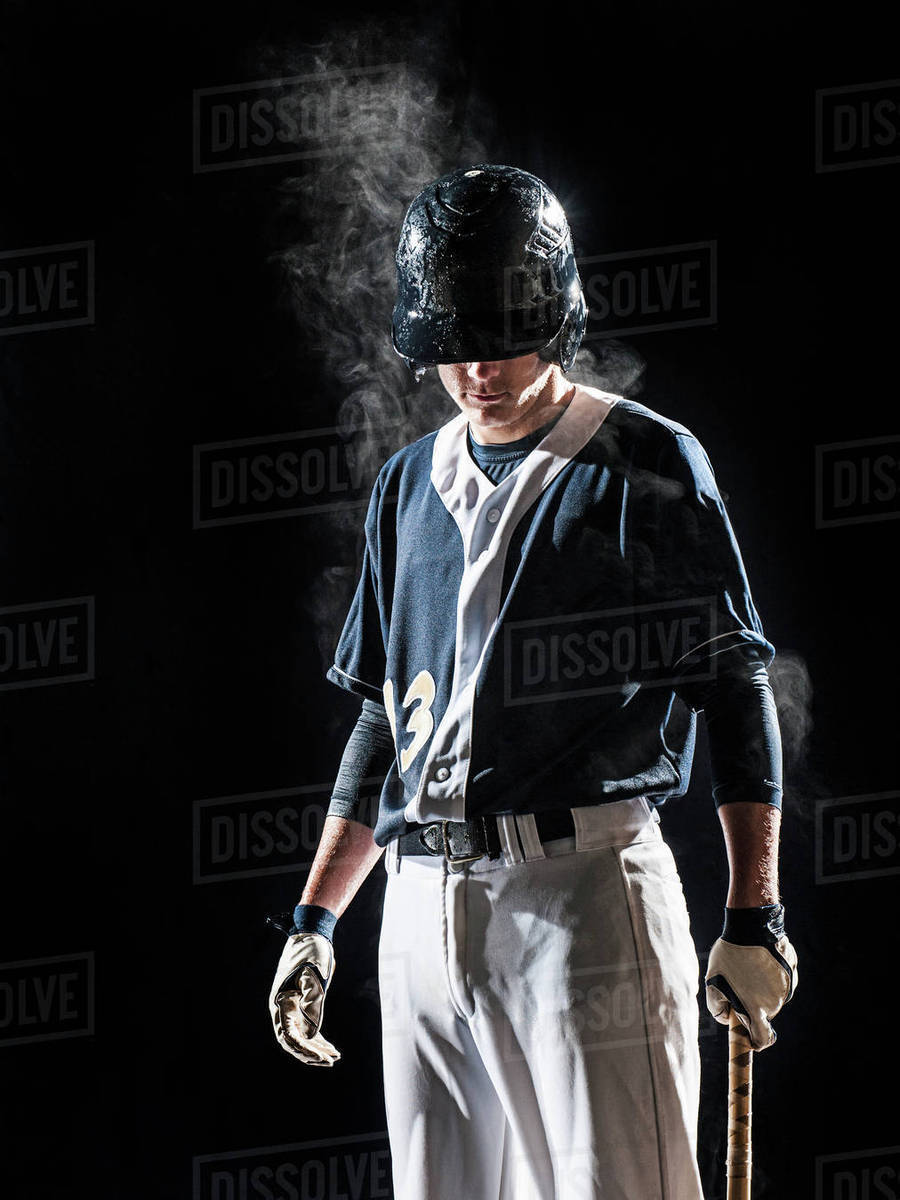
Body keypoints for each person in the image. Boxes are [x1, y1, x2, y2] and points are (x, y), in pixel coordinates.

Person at [268, 164, 798, 1200]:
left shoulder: (646, 466)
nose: (475, 367)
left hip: (582, 901)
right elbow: (385, 722)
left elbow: (736, 690)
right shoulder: (406, 485)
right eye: (450, 344)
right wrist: (315, 921)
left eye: (500, 335)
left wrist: (754, 915)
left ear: (556, 313)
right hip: (419, 908)